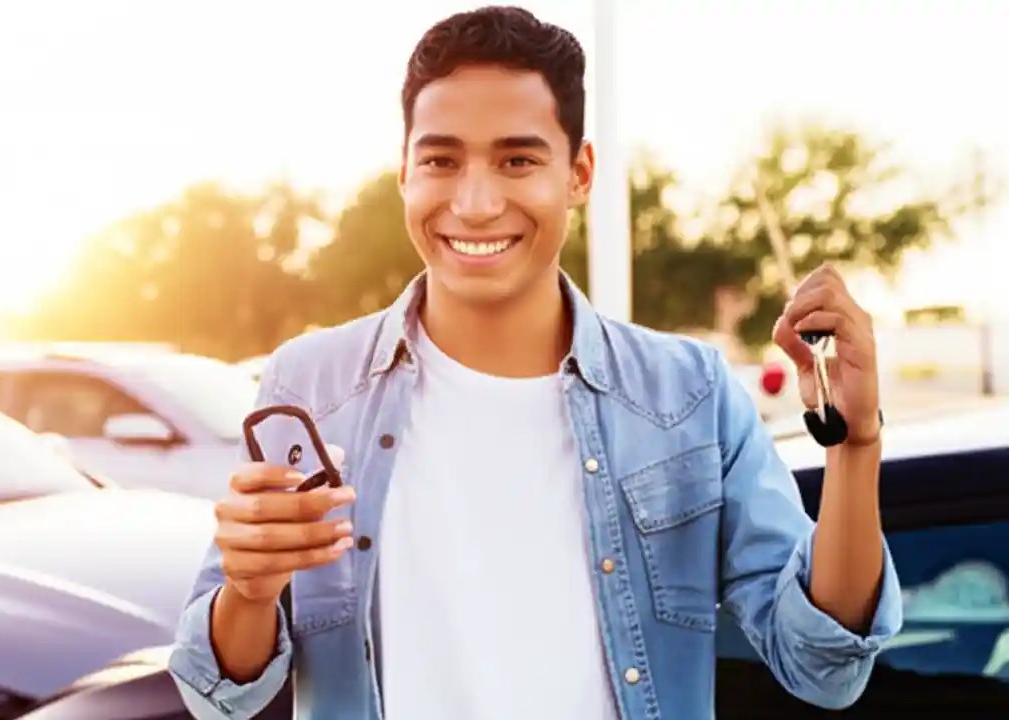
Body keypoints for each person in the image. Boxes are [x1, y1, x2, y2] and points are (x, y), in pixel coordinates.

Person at [169, 6, 902, 719]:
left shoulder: (691, 395)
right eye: (441, 160)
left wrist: (856, 444)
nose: (475, 203)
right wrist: (250, 591)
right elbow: (219, 696)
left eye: (517, 160)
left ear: (579, 173)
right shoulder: (310, 384)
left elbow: (822, 666)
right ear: (405, 173)